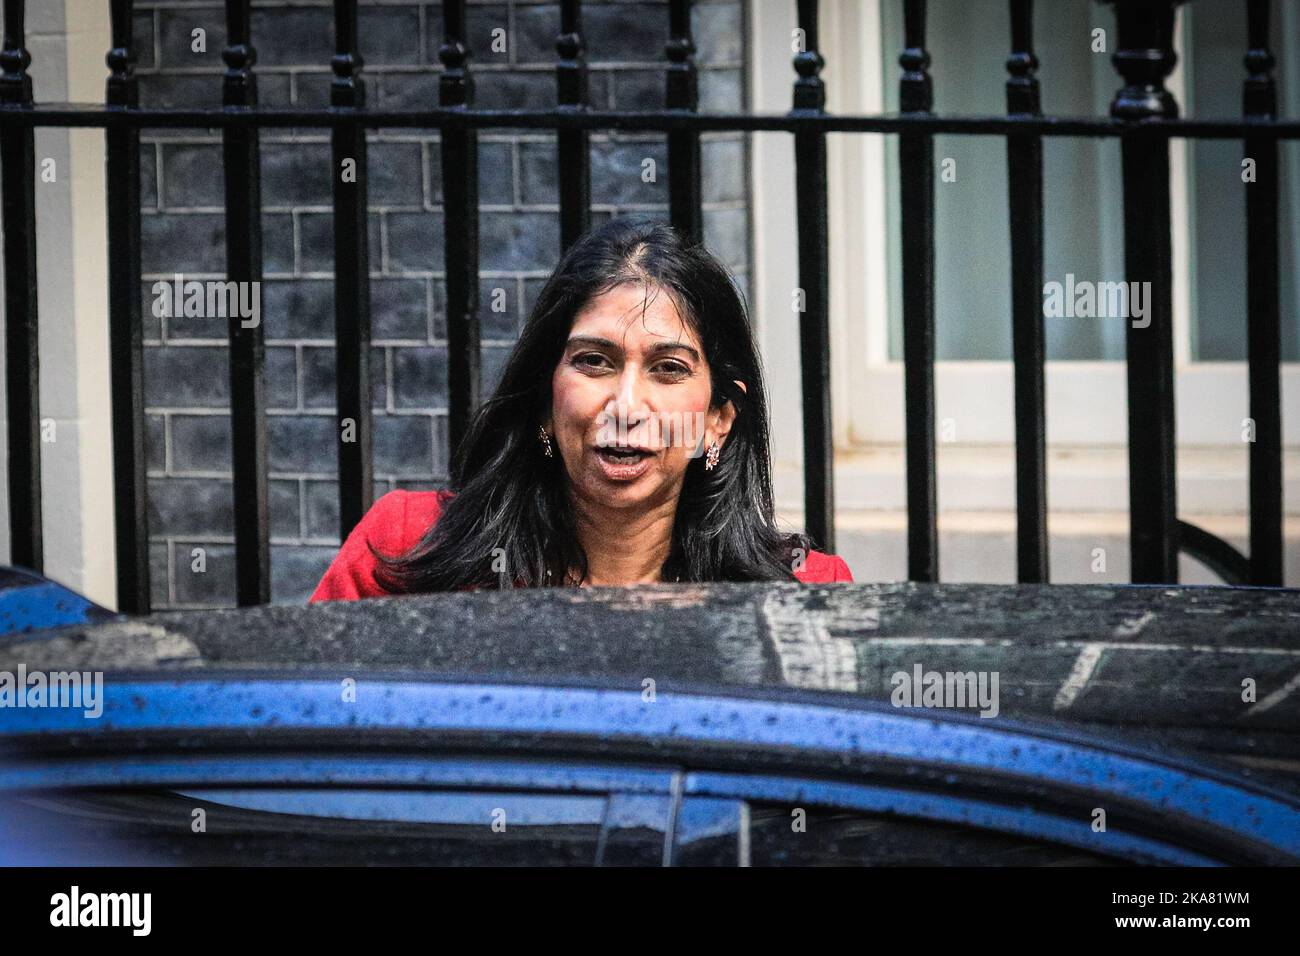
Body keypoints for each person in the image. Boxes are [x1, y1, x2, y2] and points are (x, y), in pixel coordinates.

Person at [310, 218, 852, 602]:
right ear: (545, 401)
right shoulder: (406, 549)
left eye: (668, 368)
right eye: (594, 362)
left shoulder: (807, 593)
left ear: (719, 419)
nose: (625, 405)